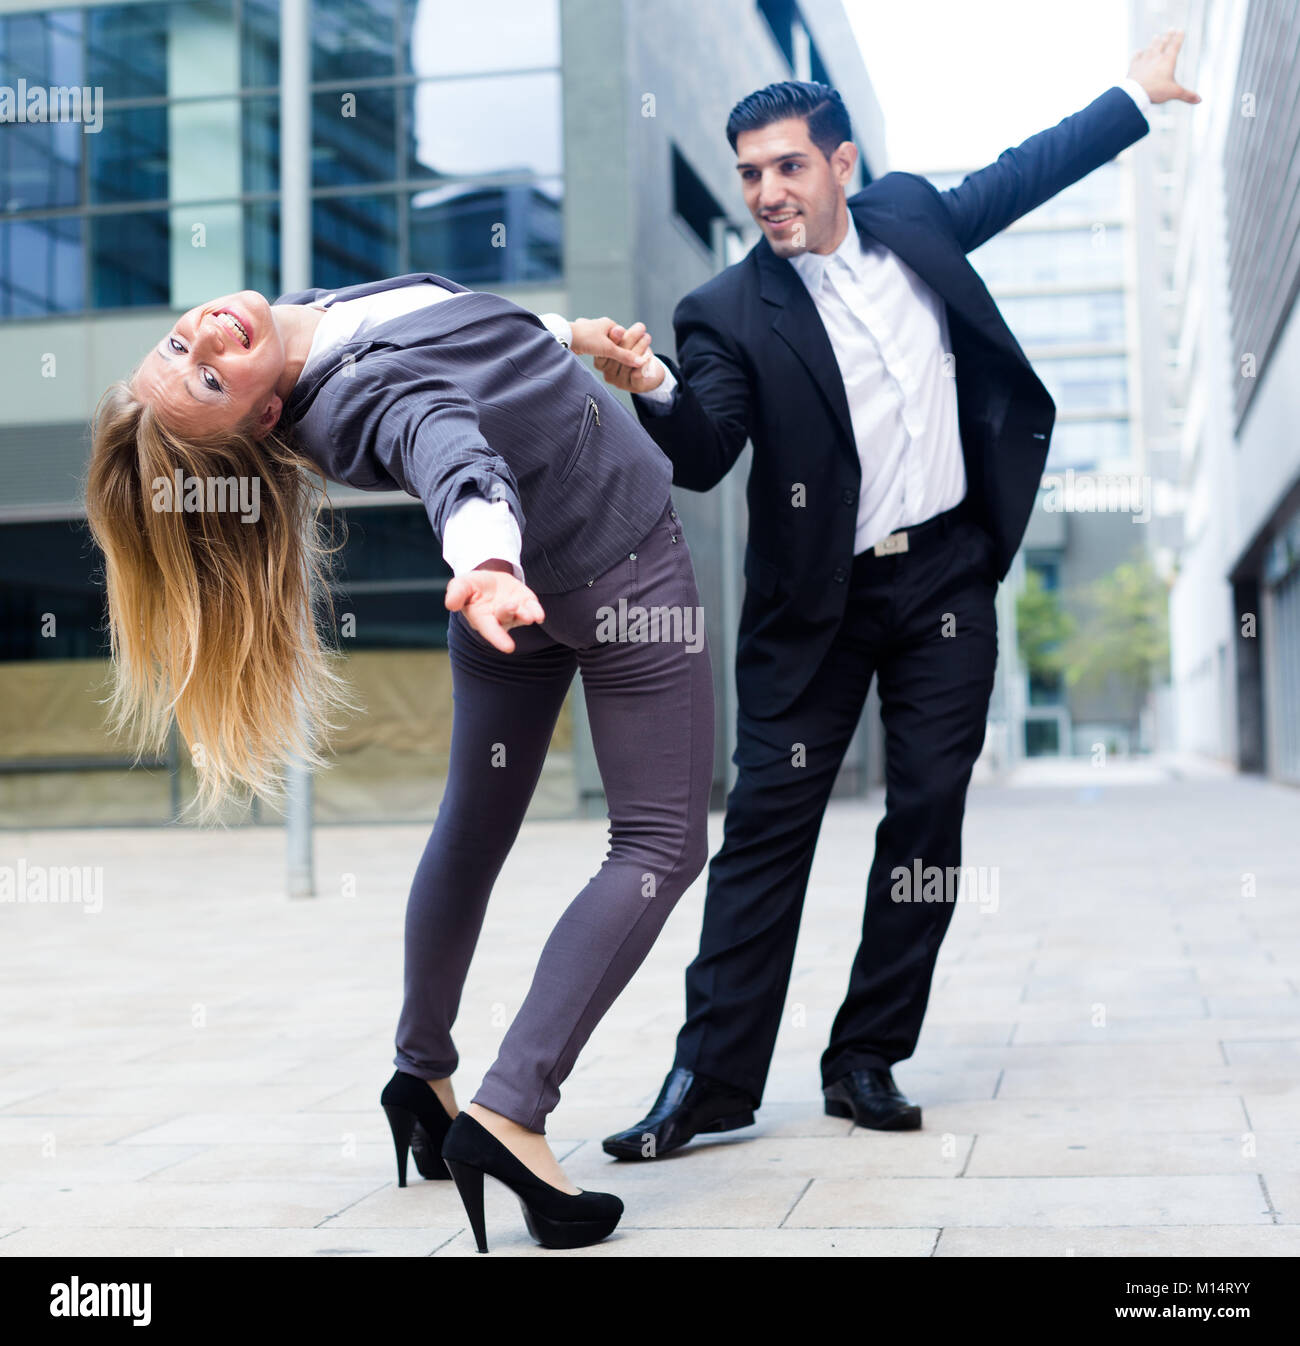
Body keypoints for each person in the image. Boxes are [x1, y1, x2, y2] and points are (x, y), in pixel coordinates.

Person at [594, 31, 1200, 1160]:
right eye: (749, 173)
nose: (766, 192)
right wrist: (655, 384)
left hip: (943, 584)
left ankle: (864, 1053)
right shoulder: (724, 311)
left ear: (839, 162)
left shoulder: (914, 220)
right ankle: (710, 1079)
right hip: (809, 611)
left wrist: (1134, 94)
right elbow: (706, 447)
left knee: (926, 814)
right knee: (767, 837)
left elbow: (1022, 172)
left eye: (786, 166)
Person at [83, 272, 715, 1251]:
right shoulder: (360, 402)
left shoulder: (298, 323)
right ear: (264, 425)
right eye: (208, 380)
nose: (204, 341)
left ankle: (421, 1072)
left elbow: (447, 331)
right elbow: (449, 445)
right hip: (609, 570)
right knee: (661, 842)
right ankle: (512, 1111)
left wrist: (564, 337)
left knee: (472, 823)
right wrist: (489, 564)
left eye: (180, 352)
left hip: (524, 594)